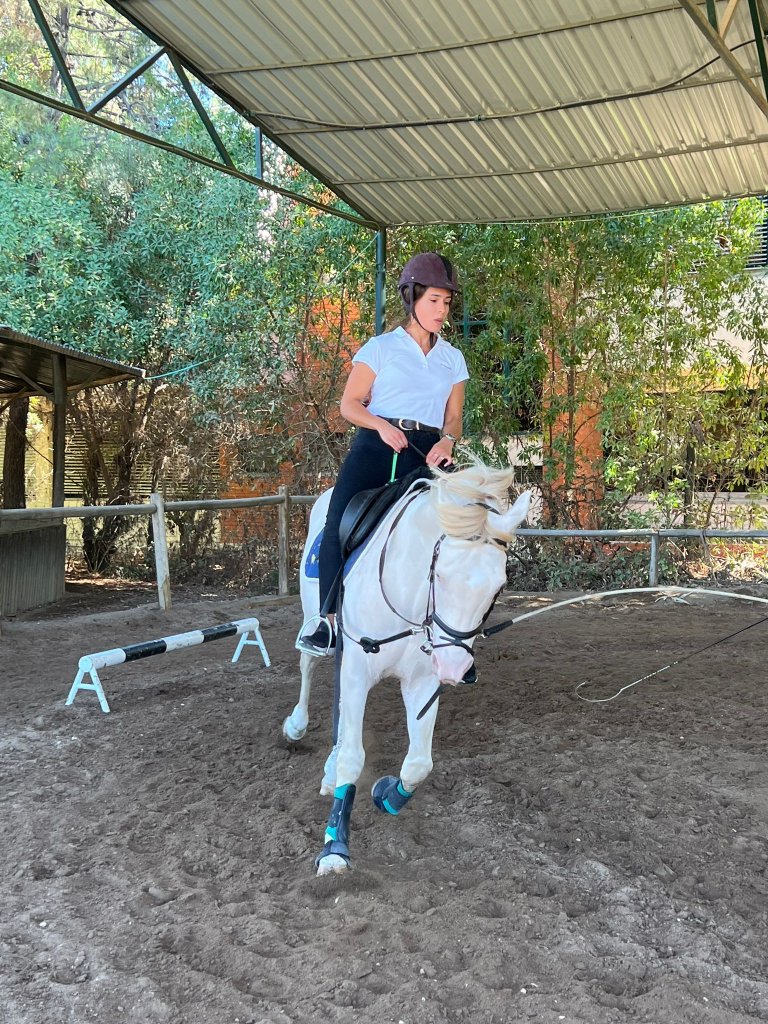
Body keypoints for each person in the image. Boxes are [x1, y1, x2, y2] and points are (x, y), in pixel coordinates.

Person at [298, 251, 469, 655]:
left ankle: (454, 638)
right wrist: (381, 426)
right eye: (434, 301)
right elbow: (349, 404)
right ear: (412, 298)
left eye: (446, 302)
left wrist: (447, 441)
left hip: (428, 452)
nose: (441, 310)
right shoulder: (380, 348)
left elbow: (454, 417)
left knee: (463, 529)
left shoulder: (452, 359)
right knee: (338, 519)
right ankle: (326, 621)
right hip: (378, 445)